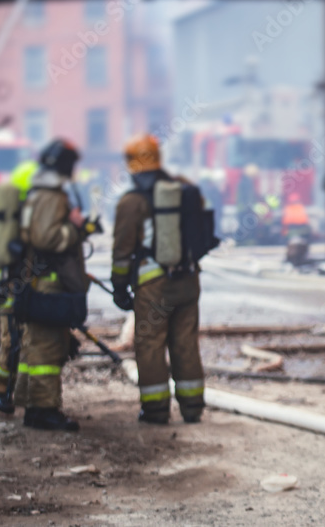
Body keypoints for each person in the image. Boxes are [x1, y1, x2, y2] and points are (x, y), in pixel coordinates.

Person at [111, 134, 207, 425]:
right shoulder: (186, 188)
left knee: (150, 344)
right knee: (186, 343)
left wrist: (118, 287)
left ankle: (155, 410)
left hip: (154, 286)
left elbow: (122, 250)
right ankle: (192, 409)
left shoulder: (131, 202)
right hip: (189, 279)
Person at [15, 139, 89, 432]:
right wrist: (75, 228)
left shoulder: (41, 191)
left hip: (42, 283)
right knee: (47, 349)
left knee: (44, 346)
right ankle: (45, 411)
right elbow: (45, 238)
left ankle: (37, 408)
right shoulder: (51, 195)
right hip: (49, 286)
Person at [0, 160, 39, 415]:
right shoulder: (10, 224)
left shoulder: (5, 221)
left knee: (15, 342)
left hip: (14, 287)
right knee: (14, 342)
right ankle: (3, 392)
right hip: (15, 288)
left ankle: (13, 392)